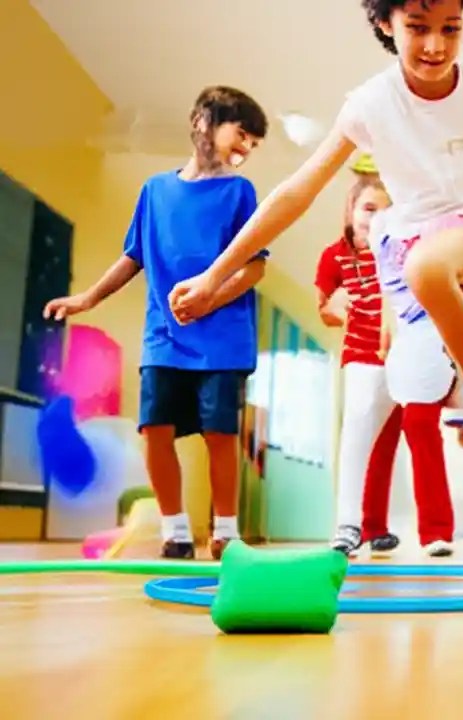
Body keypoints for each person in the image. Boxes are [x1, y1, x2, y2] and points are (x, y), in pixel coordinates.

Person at [166, 0, 463, 521]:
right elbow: (296, 192)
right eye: (417, 28)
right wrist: (213, 275)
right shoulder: (371, 103)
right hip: (409, 248)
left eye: (452, 28)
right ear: (385, 23)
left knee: (431, 272)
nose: (436, 45)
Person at [44, 86, 270, 560]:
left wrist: (210, 299)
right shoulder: (155, 192)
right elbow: (133, 257)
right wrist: (87, 297)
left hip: (222, 341)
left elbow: (255, 267)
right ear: (203, 121)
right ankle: (176, 530)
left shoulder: (239, 193)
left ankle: (226, 531)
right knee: (156, 428)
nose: (247, 148)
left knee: (219, 433)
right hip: (165, 337)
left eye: (254, 142)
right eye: (243, 134)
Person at [315, 163, 403, 556]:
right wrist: (335, 306)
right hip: (362, 355)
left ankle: (375, 525)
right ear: (351, 209)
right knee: (357, 428)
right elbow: (326, 310)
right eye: (369, 208)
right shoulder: (334, 257)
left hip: (402, 358)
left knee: (386, 446)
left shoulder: (398, 253)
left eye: (386, 211)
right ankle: (347, 525)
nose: (376, 218)